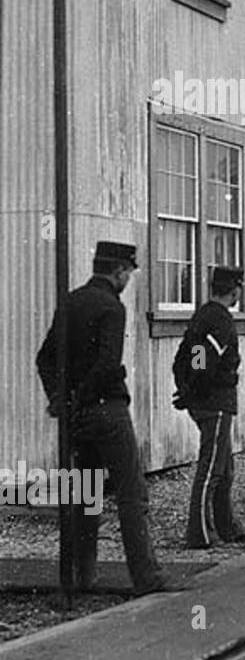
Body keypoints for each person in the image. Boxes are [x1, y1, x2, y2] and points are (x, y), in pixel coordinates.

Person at [35, 241, 174, 595]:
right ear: (119, 271)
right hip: (108, 410)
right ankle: (146, 577)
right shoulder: (113, 307)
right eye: (129, 273)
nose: (129, 279)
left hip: (77, 417)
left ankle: (84, 576)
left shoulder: (71, 301)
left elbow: (45, 358)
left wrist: (61, 399)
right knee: (132, 494)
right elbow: (109, 363)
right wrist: (84, 396)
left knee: (86, 494)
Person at [173, 266, 245, 549]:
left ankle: (226, 526)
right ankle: (199, 534)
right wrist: (195, 388)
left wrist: (187, 390)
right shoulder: (220, 321)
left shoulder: (203, 315)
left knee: (225, 467)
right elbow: (203, 359)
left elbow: (186, 356)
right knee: (212, 469)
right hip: (216, 401)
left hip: (205, 399)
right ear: (234, 291)